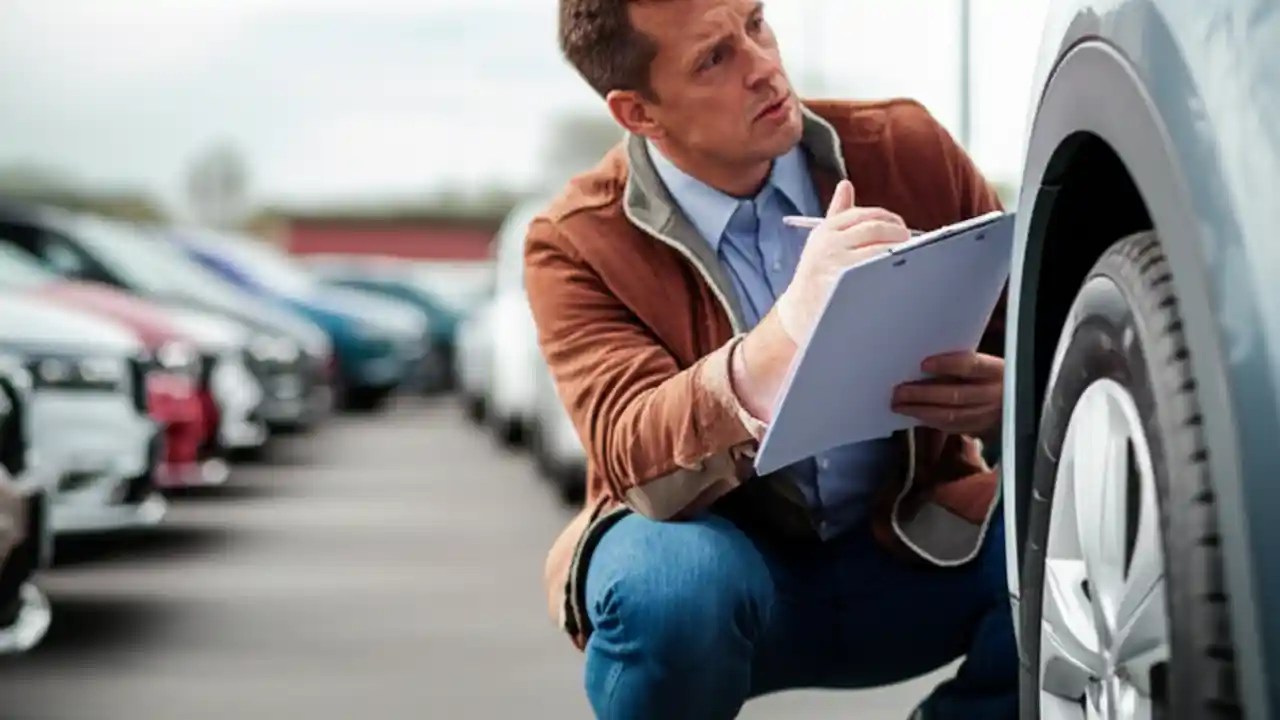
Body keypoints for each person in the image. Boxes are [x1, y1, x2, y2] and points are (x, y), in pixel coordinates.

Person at [526, 1, 1015, 718]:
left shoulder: (906, 147)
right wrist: (790, 325)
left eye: (755, 23)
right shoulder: (573, 241)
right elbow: (631, 449)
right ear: (639, 113)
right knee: (668, 583)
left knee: (1089, 514)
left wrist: (1013, 392)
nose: (764, 67)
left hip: (918, 548)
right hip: (726, 575)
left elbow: (1051, 334)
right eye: (713, 59)